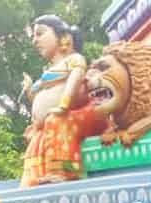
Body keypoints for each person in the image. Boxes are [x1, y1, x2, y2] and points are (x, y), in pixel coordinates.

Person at [20, 15, 93, 187]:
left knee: (55, 120)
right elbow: (40, 101)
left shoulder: (74, 59)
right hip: (44, 129)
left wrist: (64, 104)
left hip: (67, 118)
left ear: (63, 37)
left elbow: (77, 76)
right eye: (33, 36)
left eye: (40, 34)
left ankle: (62, 172)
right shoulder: (48, 71)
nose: (35, 41)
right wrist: (30, 91)